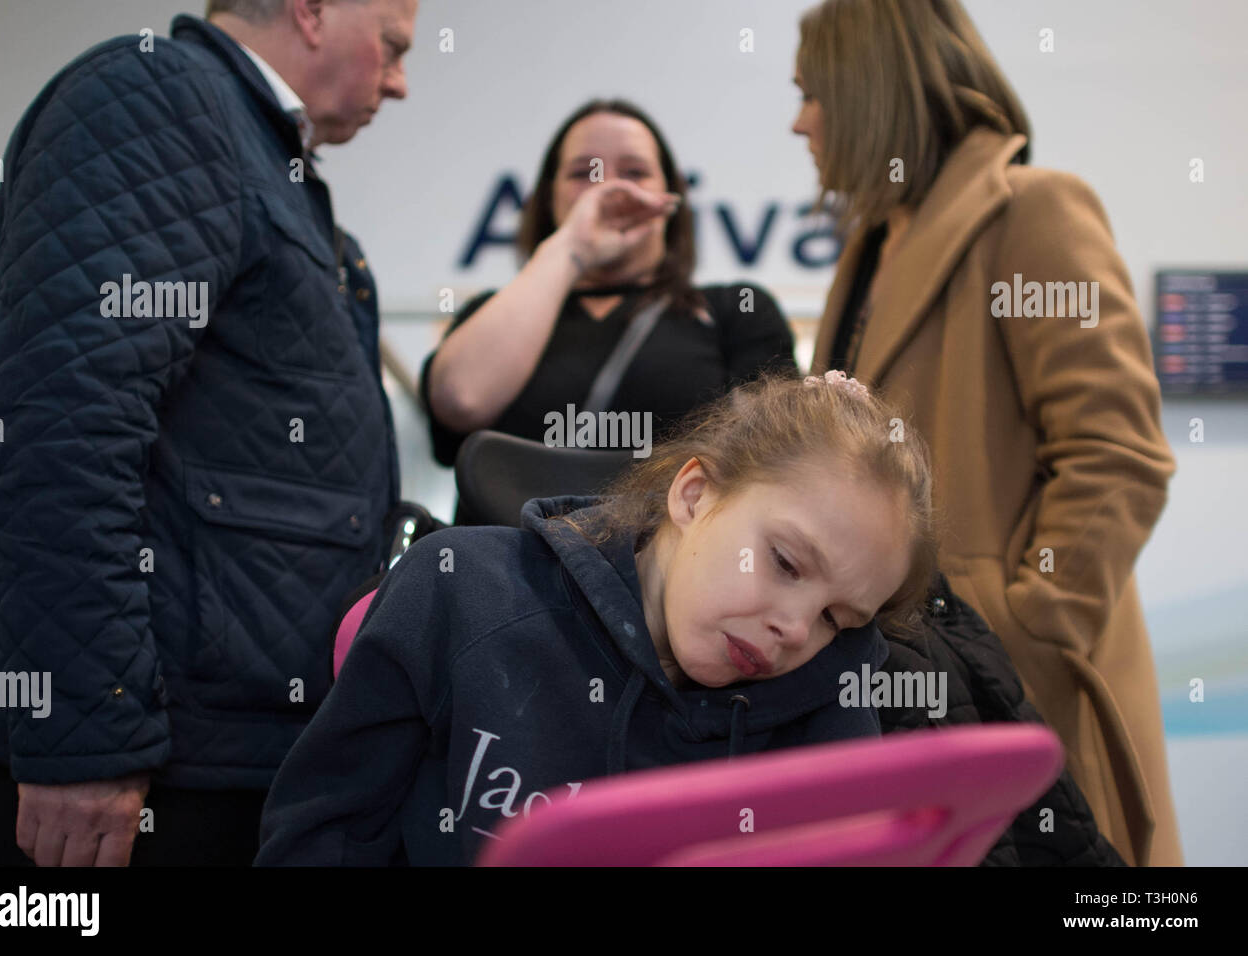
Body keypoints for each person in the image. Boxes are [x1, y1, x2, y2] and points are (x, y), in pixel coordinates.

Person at [0, 0, 416, 866]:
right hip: (143, 766)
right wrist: (84, 731)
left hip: (218, 746)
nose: (400, 82)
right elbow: (59, 424)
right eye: (390, 47)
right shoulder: (160, 102)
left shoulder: (255, 157)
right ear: (312, 12)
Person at [256, 371, 937, 865]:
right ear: (695, 495)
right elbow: (321, 837)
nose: (797, 630)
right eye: (786, 563)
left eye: (836, 619)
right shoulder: (460, 593)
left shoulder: (827, 696)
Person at [792, 0, 1178, 865]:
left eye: (811, 92)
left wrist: (1030, 625)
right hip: (906, 681)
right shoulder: (870, 246)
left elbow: (1119, 455)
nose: (799, 121)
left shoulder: (1033, 210)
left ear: (868, 89)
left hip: (1014, 683)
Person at [421, 99, 797, 507]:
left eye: (635, 172)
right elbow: (460, 399)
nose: (609, 189)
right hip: (503, 564)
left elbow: (773, 466)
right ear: (549, 198)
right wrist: (571, 247)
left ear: (670, 197)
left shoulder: (733, 312)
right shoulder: (491, 312)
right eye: (584, 174)